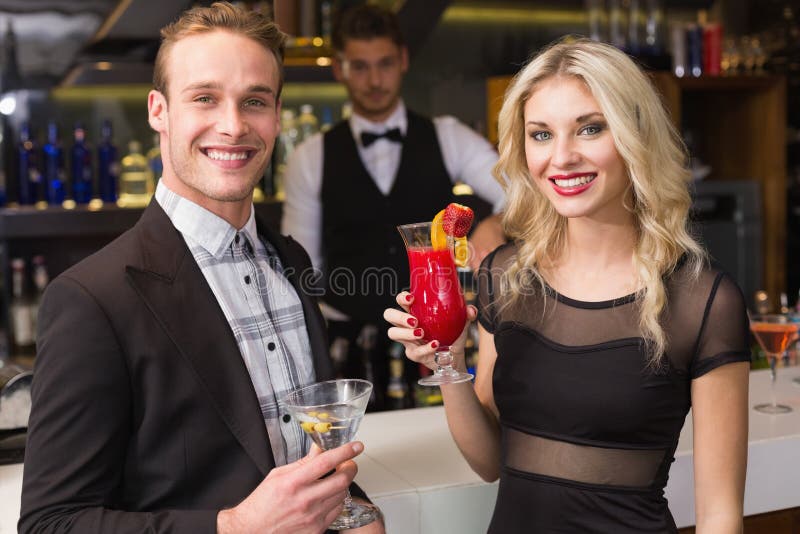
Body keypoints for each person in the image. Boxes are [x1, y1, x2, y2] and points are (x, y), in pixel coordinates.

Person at [19, 3, 383, 534]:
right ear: (159, 111)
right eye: (205, 98)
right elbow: (51, 524)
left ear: (277, 114)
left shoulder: (291, 263)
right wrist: (233, 527)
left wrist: (356, 512)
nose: (233, 126)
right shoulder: (90, 299)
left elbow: (309, 457)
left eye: (254, 101)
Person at [385, 38, 749, 533]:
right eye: (540, 135)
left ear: (634, 136)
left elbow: (720, 515)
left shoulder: (701, 300)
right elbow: (491, 461)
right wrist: (445, 362)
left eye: (590, 129)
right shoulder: (505, 277)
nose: (561, 157)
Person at [281, 4, 506, 403]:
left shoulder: (447, 136)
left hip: (437, 344)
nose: (374, 80)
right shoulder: (309, 158)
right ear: (339, 68)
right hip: (349, 347)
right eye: (360, 66)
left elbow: (525, 192)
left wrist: (497, 222)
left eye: (384, 64)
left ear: (403, 60)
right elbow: (303, 271)